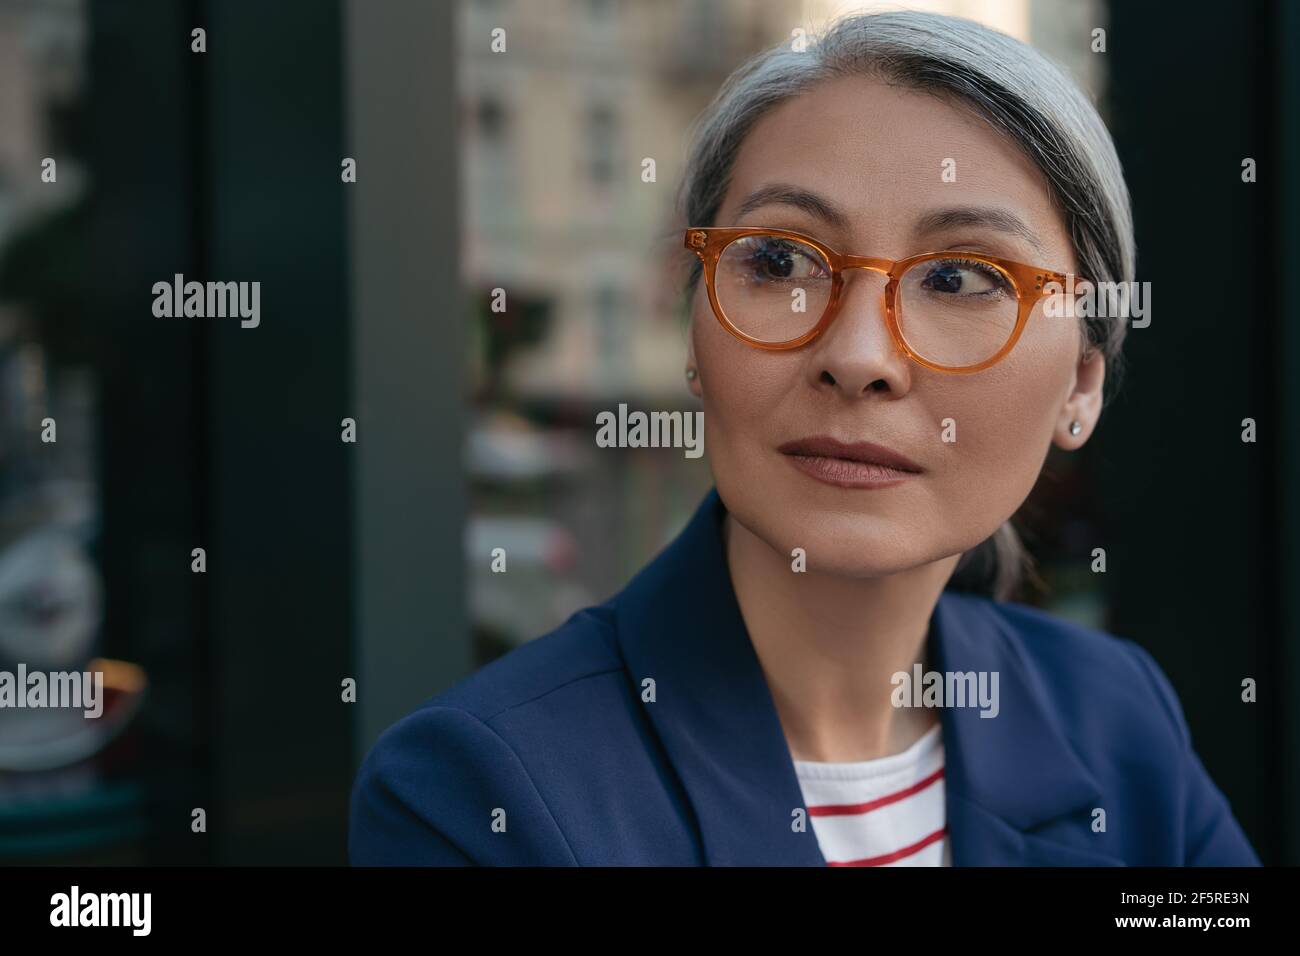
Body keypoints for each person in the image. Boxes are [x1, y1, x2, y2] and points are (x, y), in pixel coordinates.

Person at [349, 10, 1259, 866]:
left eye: (962, 277)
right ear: (695, 327)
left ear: (1082, 382)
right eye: (779, 261)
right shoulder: (481, 790)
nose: (858, 356)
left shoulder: (1112, 714)